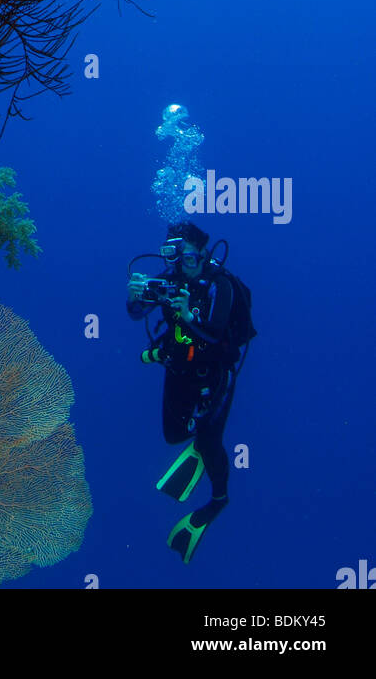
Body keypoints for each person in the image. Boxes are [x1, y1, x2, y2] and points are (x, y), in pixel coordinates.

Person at [127, 221, 250, 563]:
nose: (182, 262)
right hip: (178, 369)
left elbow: (213, 337)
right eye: (174, 254)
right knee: (172, 435)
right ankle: (197, 438)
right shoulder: (170, 279)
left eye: (188, 255)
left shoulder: (219, 285)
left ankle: (218, 500)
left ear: (201, 251)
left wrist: (185, 315)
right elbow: (137, 314)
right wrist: (134, 300)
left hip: (214, 374)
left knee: (210, 442)